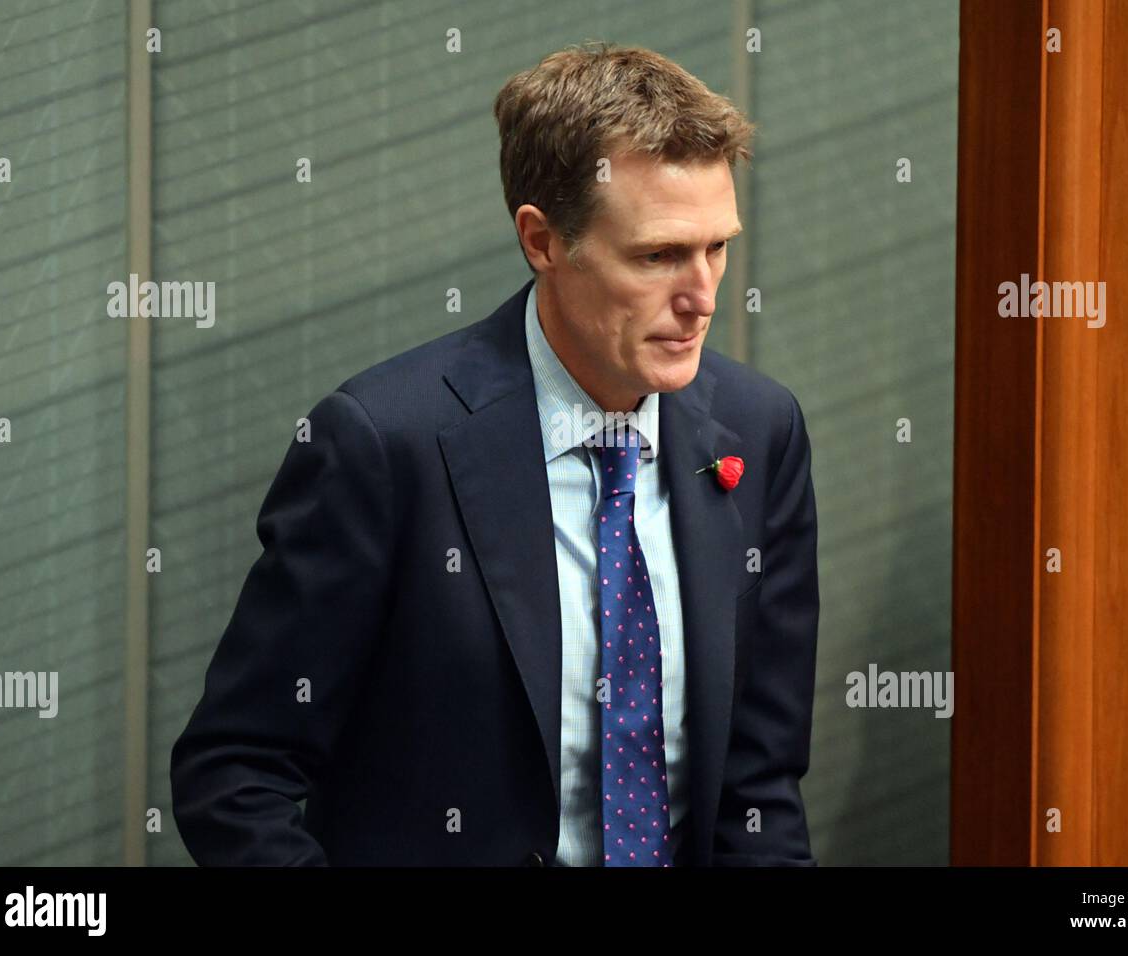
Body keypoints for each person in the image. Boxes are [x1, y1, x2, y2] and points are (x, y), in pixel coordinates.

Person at [170, 41, 819, 867]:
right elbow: (234, 775)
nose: (700, 298)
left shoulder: (761, 434)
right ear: (543, 241)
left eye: (716, 248)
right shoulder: (383, 444)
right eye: (657, 256)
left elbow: (759, 790)